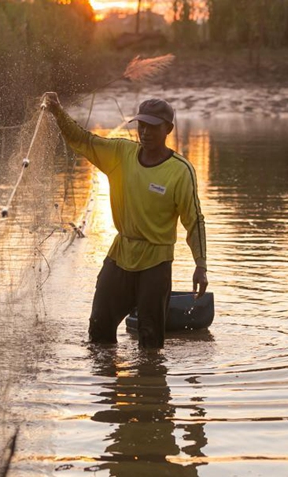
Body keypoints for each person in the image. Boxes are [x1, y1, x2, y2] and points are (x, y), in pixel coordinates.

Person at [42, 92, 208, 348]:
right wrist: (57, 111)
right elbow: (83, 140)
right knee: (99, 328)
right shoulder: (121, 153)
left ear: (168, 129)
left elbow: (194, 221)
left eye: (153, 126)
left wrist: (200, 265)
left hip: (156, 261)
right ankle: (105, 380)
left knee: (151, 338)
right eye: (142, 125)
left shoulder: (180, 171)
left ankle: (149, 381)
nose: (146, 132)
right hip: (121, 254)